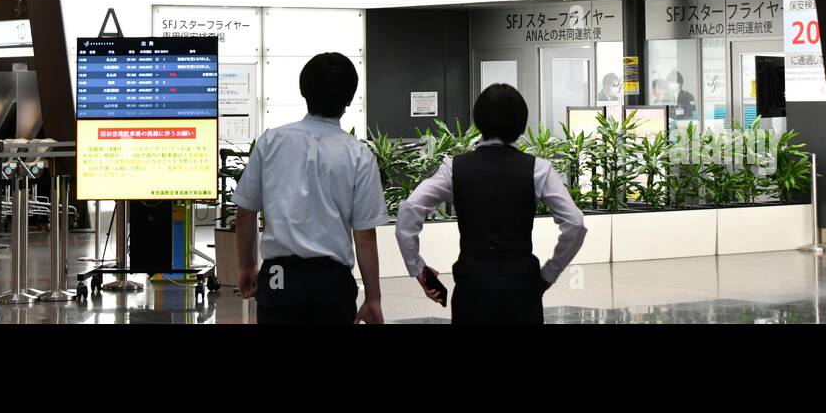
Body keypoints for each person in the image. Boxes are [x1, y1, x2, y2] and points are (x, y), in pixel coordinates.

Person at [395, 83, 587, 324]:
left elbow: (409, 211)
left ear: (478, 122)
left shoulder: (453, 169)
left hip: (472, 290)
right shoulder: (539, 169)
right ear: (521, 124)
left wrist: (419, 269)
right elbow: (575, 223)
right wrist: (548, 274)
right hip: (522, 291)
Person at [232, 52, 386, 324]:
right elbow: (364, 236)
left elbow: (245, 212)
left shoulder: (271, 142)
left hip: (279, 279)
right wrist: (373, 298)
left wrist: (246, 266)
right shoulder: (358, 155)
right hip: (332, 284)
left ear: (303, 90)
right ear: (350, 99)